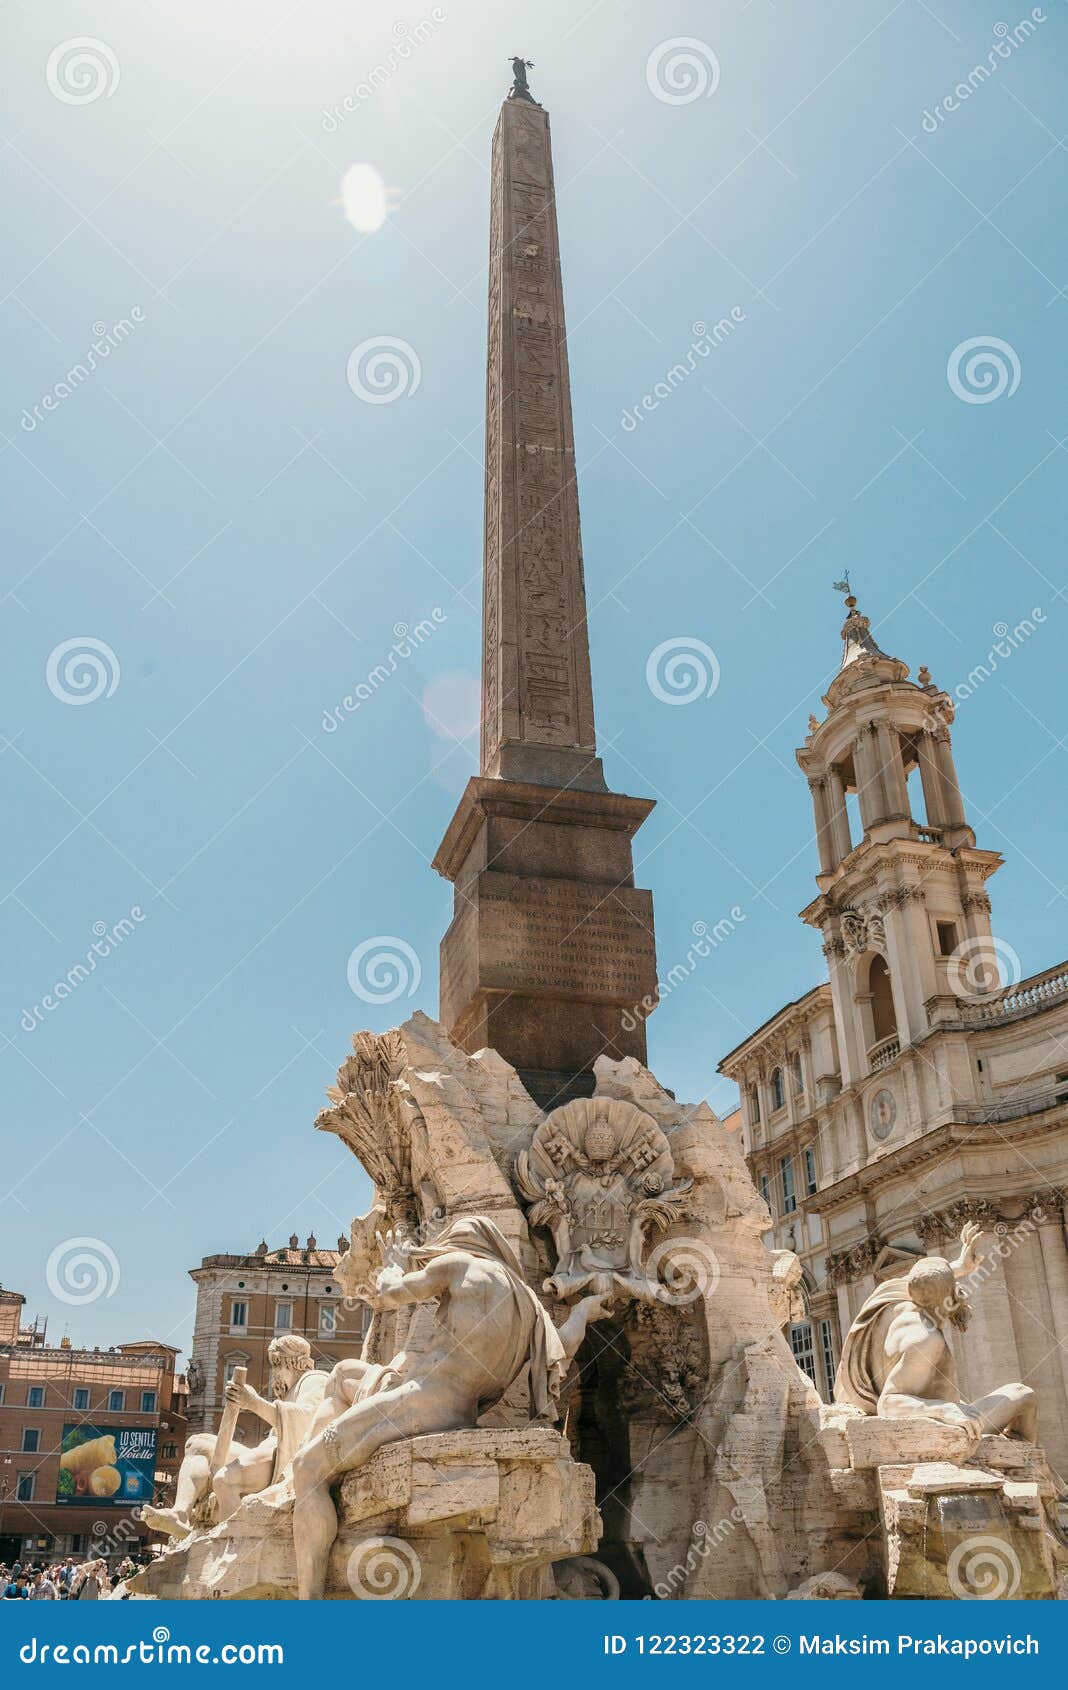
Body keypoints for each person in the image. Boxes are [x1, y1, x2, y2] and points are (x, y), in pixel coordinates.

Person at [291, 1214, 611, 1600]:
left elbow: (389, 1292)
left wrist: (394, 1259)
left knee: (306, 1467)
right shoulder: (529, 1308)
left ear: (460, 1242)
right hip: (458, 1412)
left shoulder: (459, 1264)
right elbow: (564, 1345)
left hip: (418, 1401)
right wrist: (583, 1312)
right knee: (345, 1379)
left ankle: (307, 1601)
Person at [834, 1222, 1038, 1441]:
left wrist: (960, 1267)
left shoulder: (891, 1297)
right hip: (949, 1424)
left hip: (937, 1410)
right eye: (957, 1291)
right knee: (1023, 1395)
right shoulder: (927, 1339)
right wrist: (945, 1411)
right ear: (947, 1299)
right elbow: (889, 1403)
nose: (962, 1295)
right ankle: (1025, 1462)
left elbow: (924, 1281)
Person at [143, 1335, 327, 1538]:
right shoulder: (290, 1391)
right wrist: (249, 1400)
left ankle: (232, 1545)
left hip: (284, 1460)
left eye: (276, 1365)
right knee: (196, 1443)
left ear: (290, 1362)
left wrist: (253, 1402)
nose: (274, 1373)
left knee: (224, 1479)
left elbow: (309, 1423)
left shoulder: (315, 1380)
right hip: (268, 1453)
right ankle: (179, 1514)